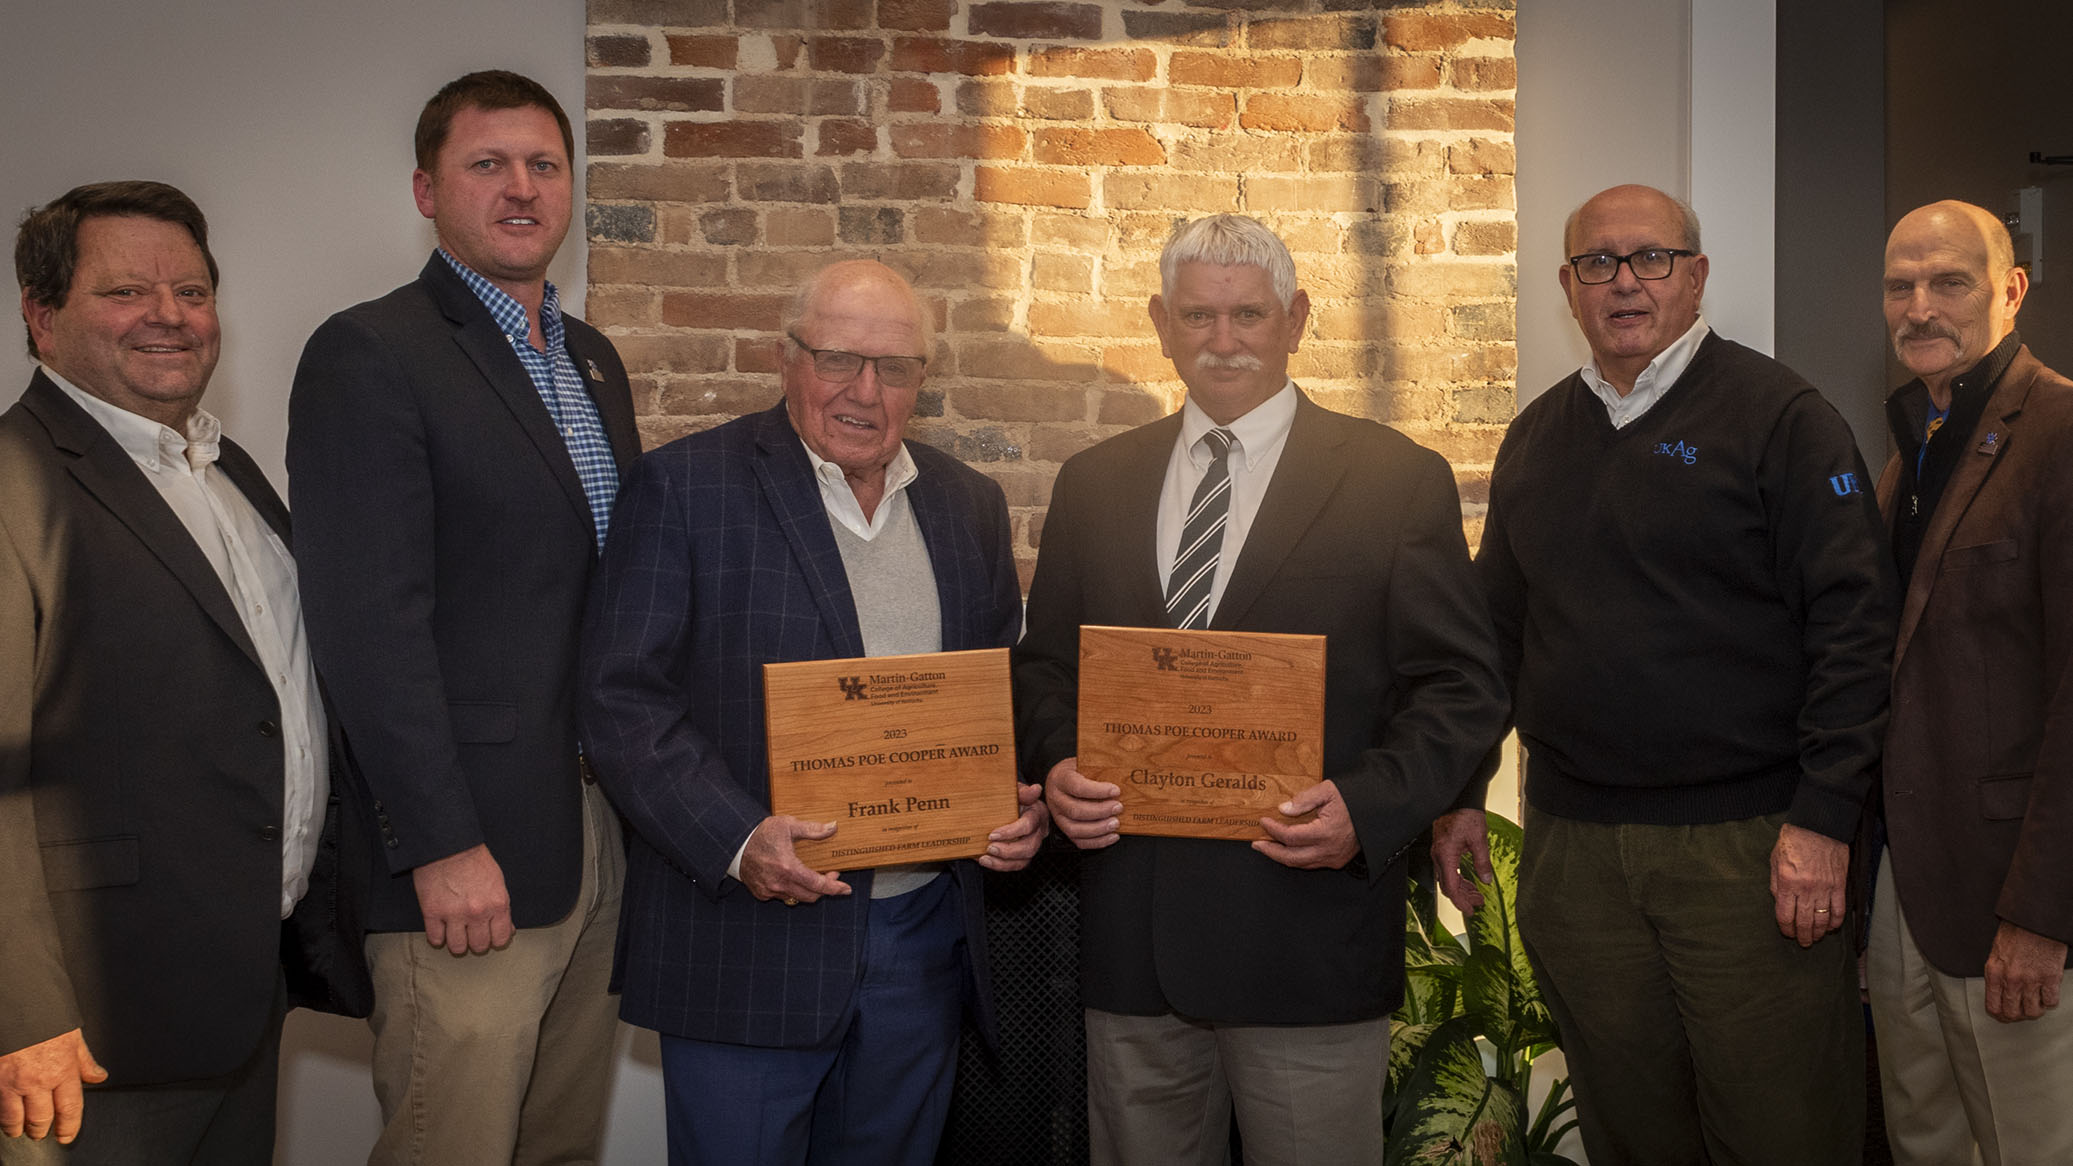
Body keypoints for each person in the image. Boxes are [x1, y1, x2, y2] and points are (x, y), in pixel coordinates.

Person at [1013, 213, 1506, 1166]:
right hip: (1134, 944)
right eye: (1198, 315)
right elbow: (1045, 670)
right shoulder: (1093, 483)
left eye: (1248, 315)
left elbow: (1459, 686)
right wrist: (1056, 760)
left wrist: (1365, 810)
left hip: (1306, 936)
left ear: (1296, 319)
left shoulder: (1395, 481)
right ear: (1161, 322)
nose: (1223, 340)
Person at [1431, 184, 1895, 1164]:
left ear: (1696, 274)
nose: (1625, 282)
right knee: (1630, 1128)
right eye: (1597, 263)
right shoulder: (1537, 436)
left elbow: (1856, 629)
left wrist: (1822, 817)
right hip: (1575, 853)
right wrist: (1461, 789)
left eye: (1650, 258)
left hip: (1751, 850)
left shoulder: (1783, 420)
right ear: (1568, 287)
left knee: (1783, 1131)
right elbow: (1491, 632)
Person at [578, 258, 1046, 1165]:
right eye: (837, 359)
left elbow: (994, 699)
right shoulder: (685, 487)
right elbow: (619, 696)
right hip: (749, 938)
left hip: (921, 942)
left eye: (896, 367)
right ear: (786, 358)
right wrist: (738, 836)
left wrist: (1011, 804)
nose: (864, 391)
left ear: (923, 377)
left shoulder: (967, 507)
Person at [287, 70, 638, 1165]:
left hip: (592, 835)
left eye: (544, 164)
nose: (521, 188)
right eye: (487, 165)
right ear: (427, 190)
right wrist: (439, 840)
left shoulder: (591, 360)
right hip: (467, 855)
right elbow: (368, 625)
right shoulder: (371, 353)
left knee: (560, 1147)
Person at [1, 180, 364, 1165]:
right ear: (41, 315)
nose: (169, 313)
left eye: (192, 291)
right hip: (89, 1022)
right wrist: (21, 1016)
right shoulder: (14, 481)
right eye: (125, 292)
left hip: (240, 990)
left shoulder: (225, 468)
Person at [1868, 199, 2073, 1164]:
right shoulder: (1904, 454)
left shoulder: (2063, 431)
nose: (1920, 307)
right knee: (1924, 1144)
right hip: (1905, 890)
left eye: (1948, 281)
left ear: (2010, 290)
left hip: (2009, 904)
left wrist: (2040, 915)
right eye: (1899, 285)